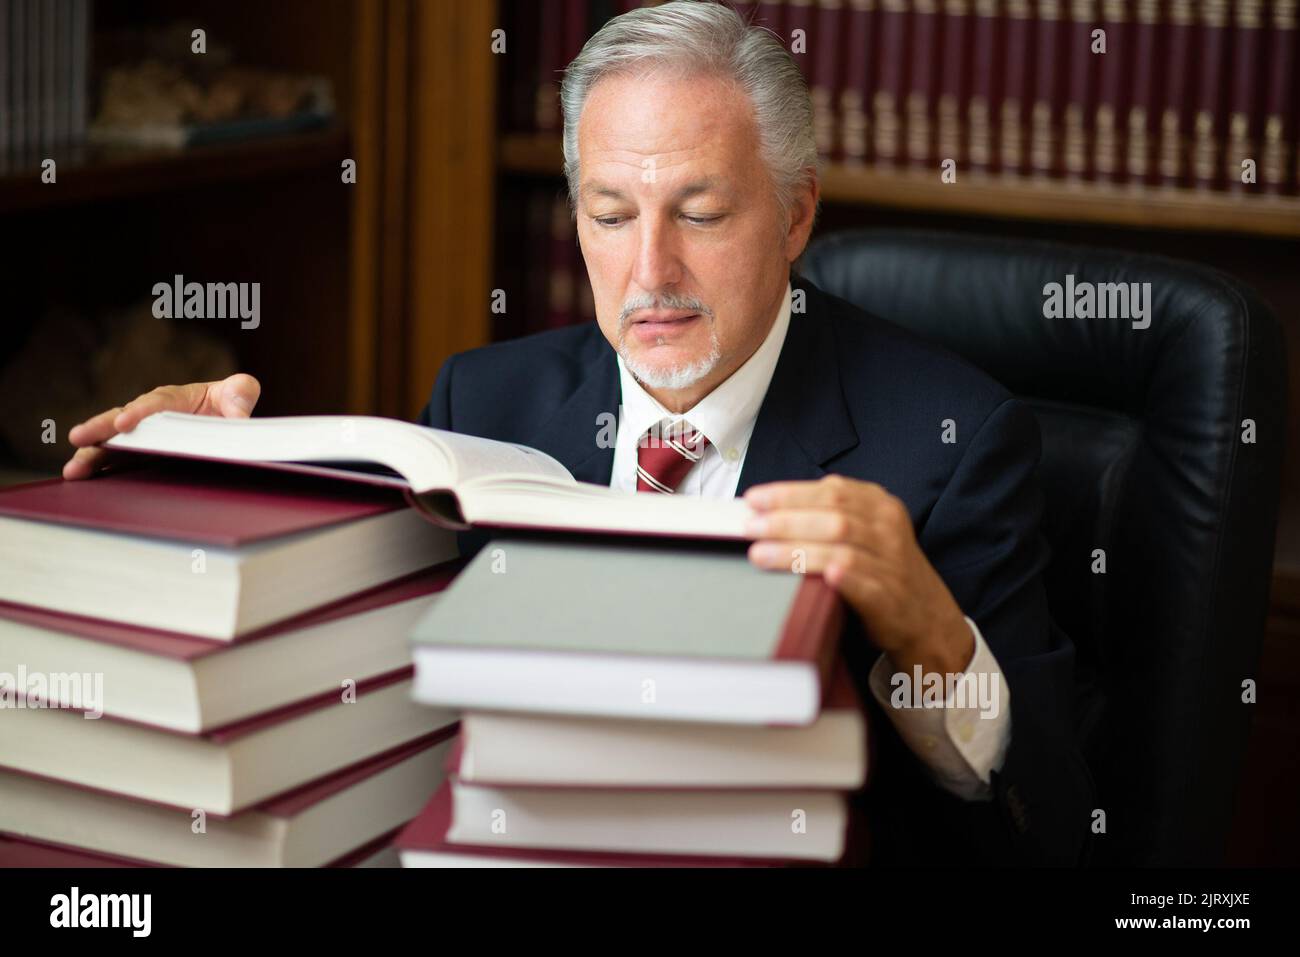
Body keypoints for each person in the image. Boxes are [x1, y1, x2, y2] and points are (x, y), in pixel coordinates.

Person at [65, 0, 1093, 865]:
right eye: (609, 214)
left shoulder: (952, 441)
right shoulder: (484, 402)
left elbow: (1056, 820)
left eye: (698, 213)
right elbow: (370, 668)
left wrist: (934, 642)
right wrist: (219, 472)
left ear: (793, 214)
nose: (649, 272)